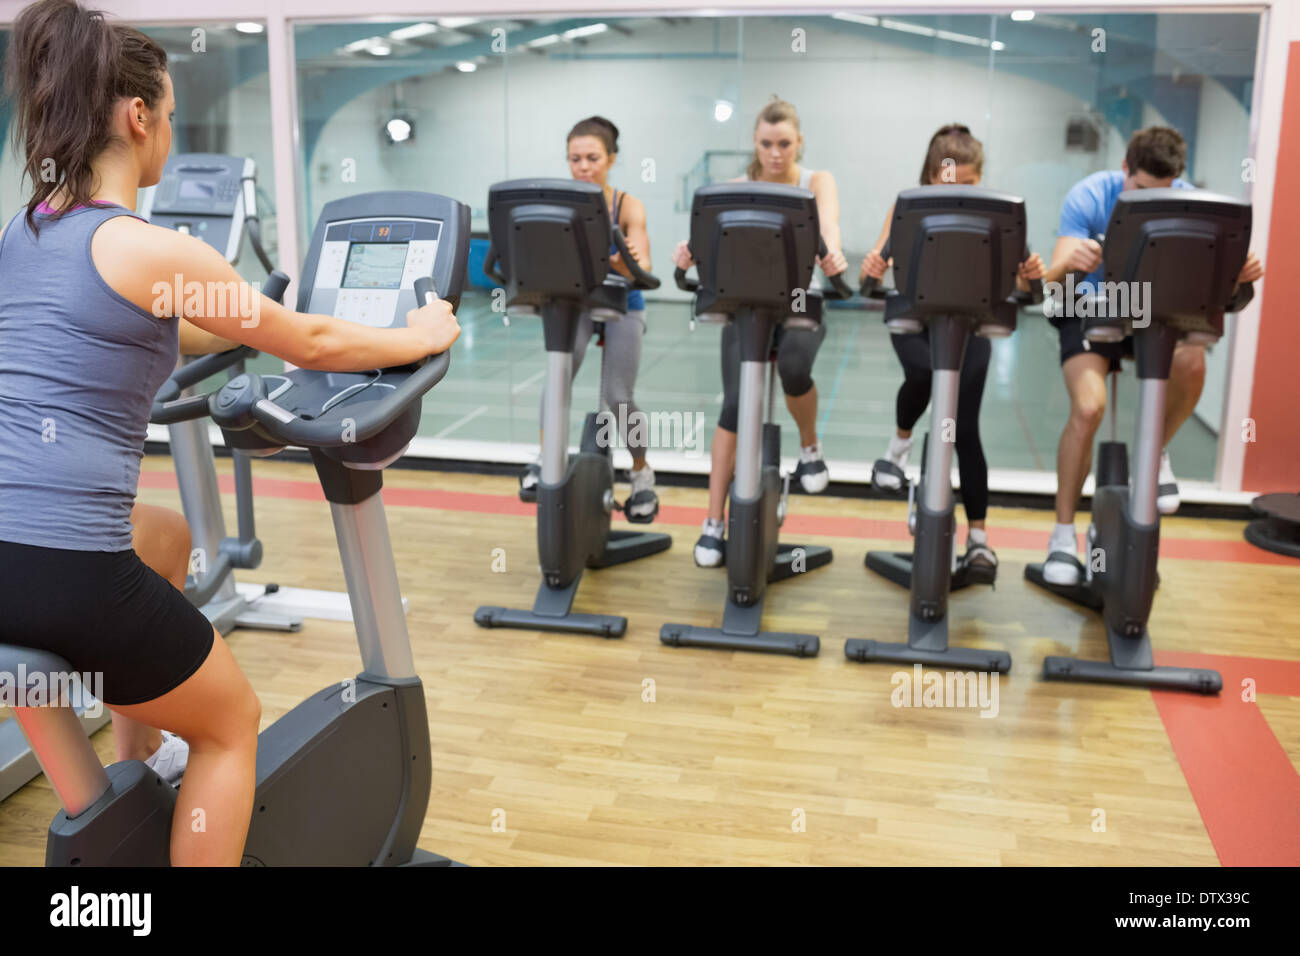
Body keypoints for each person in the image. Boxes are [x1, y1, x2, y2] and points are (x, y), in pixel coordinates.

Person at [0, 0, 460, 866]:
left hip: (1, 554)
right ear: (138, 118)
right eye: (169, 115)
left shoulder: (22, 236)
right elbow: (316, 342)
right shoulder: (150, 247)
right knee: (231, 722)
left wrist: (251, 321)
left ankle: (129, 780)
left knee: (165, 539)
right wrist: (422, 335)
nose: (169, 133)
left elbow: (172, 324)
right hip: (63, 575)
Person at [1038, 126, 1264, 584]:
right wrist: (1070, 264)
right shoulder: (1090, 196)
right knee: (1088, 408)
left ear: (1177, 180)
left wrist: (1242, 278)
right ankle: (1062, 536)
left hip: (1152, 311)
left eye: (1161, 193)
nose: (1149, 202)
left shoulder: (1192, 205)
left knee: (1193, 360)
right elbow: (1052, 285)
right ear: (1125, 169)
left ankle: (1154, 452)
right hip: (1090, 306)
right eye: (1140, 191)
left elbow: (1218, 294)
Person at [861, 124, 1045, 577]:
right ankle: (898, 447)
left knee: (965, 430)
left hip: (971, 323)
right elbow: (880, 265)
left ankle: (978, 539)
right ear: (929, 175)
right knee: (922, 375)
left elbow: (1025, 281)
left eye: (968, 184)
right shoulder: (905, 208)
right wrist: (873, 266)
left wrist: (1031, 274)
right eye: (949, 184)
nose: (960, 194)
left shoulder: (999, 215)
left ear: (980, 178)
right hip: (915, 320)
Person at [672, 98, 849, 567]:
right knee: (734, 405)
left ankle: (810, 447)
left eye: (784, 144)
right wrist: (688, 254)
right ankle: (713, 522)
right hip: (746, 302)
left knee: (793, 367)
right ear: (754, 142)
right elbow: (705, 238)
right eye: (767, 144)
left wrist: (831, 253)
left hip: (797, 297)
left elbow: (827, 225)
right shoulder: (735, 188)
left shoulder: (816, 182)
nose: (776, 153)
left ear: (799, 142)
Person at [518, 116, 659, 521]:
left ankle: (640, 472)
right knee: (558, 374)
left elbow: (643, 265)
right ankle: (548, 457)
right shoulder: (559, 203)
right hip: (575, 303)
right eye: (575, 158)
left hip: (623, 303)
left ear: (611, 159)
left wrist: (625, 262)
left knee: (618, 395)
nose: (583, 166)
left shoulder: (627, 205)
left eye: (592, 158)